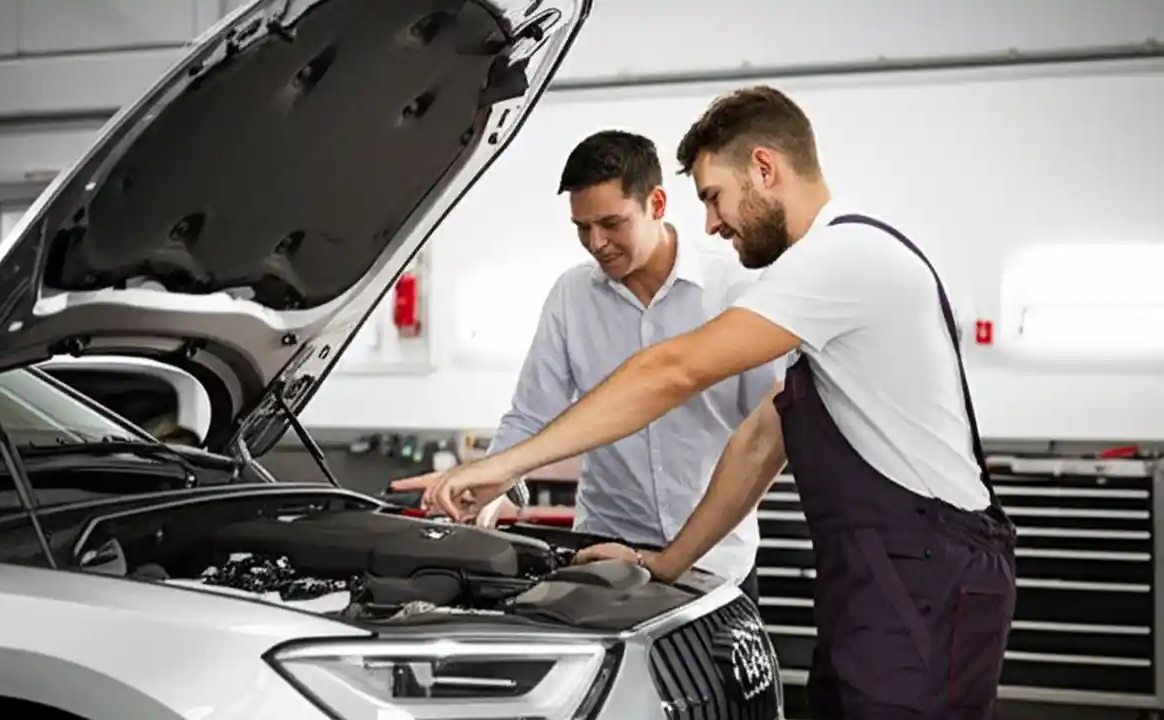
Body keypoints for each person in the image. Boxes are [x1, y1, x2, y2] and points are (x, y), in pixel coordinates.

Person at [420, 87, 1017, 719]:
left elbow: (671, 371)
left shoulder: (843, 258)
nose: (709, 222)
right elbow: (762, 438)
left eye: (712, 196)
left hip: (927, 565)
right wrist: (664, 563)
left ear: (764, 169)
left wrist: (501, 467)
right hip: (875, 569)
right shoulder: (813, 273)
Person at [393, 129, 780, 598]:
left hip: (714, 559)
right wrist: (492, 478)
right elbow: (532, 414)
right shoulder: (571, 296)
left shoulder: (735, 289)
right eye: (582, 227)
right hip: (603, 554)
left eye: (611, 223)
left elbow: (761, 431)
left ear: (656, 204)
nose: (596, 243)